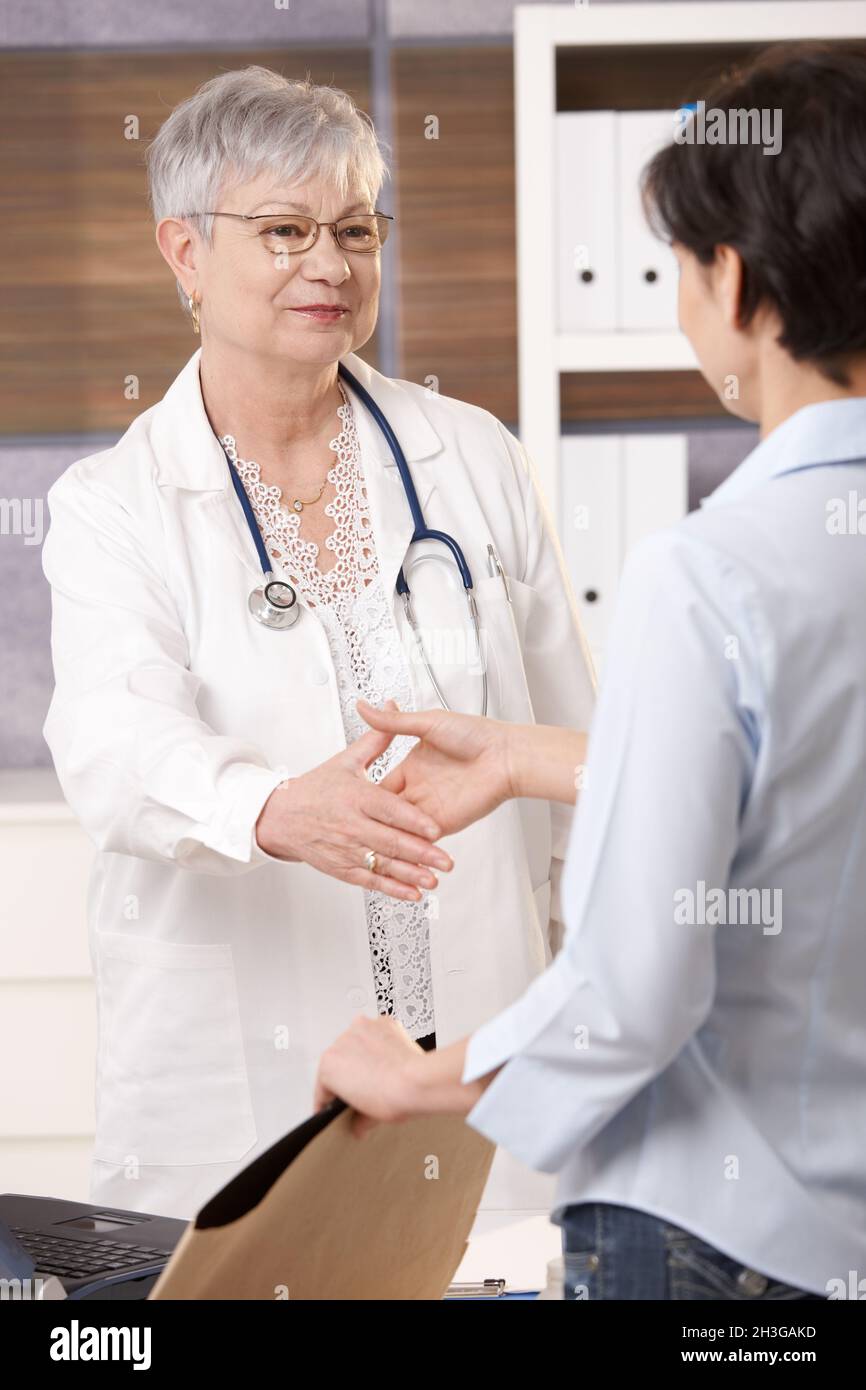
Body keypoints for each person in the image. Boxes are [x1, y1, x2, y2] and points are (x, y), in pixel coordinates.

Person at [315, 41, 866, 1300]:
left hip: (710, 1247)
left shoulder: (712, 571)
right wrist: (525, 755)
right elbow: (804, 808)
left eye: (676, 263)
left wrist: (422, 1076)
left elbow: (637, 991)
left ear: (732, 281)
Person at [40, 66, 595, 1220]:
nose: (331, 264)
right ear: (184, 254)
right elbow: (110, 737)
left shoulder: (471, 455)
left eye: (354, 229)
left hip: (477, 1050)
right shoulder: (115, 503)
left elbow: (569, 745)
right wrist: (267, 805)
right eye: (285, 230)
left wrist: (584, 1007)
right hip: (237, 1071)